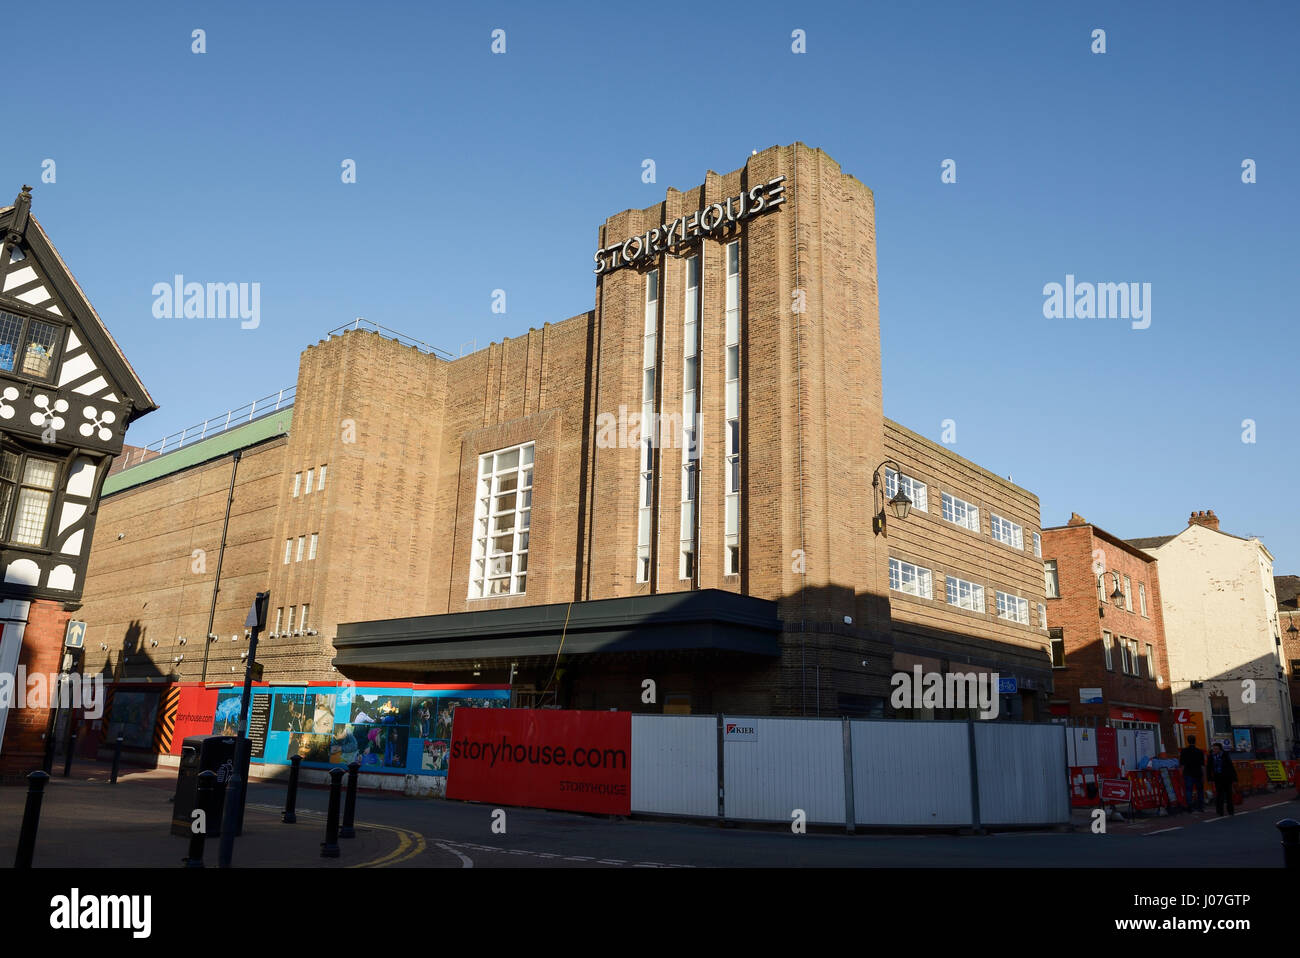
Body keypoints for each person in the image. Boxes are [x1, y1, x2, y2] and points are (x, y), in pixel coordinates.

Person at [1208, 742, 1237, 816]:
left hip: (1226, 777)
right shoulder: (1211, 756)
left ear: (1220, 749)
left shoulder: (1225, 755)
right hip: (1217, 777)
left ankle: (1230, 810)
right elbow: (1208, 767)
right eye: (1213, 748)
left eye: (1216, 749)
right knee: (1219, 795)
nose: (1214, 750)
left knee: (1228, 795)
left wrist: (1234, 778)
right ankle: (1220, 811)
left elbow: (1230, 766)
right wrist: (1209, 778)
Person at [1179, 735, 1206, 812]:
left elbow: (1182, 765)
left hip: (1188, 773)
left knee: (1188, 790)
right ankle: (1200, 806)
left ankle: (1189, 806)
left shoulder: (1184, 751)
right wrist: (1204, 776)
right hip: (1198, 773)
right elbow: (1202, 766)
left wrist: (1181, 774)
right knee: (1200, 790)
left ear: (1188, 741)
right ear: (1195, 741)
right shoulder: (1199, 751)